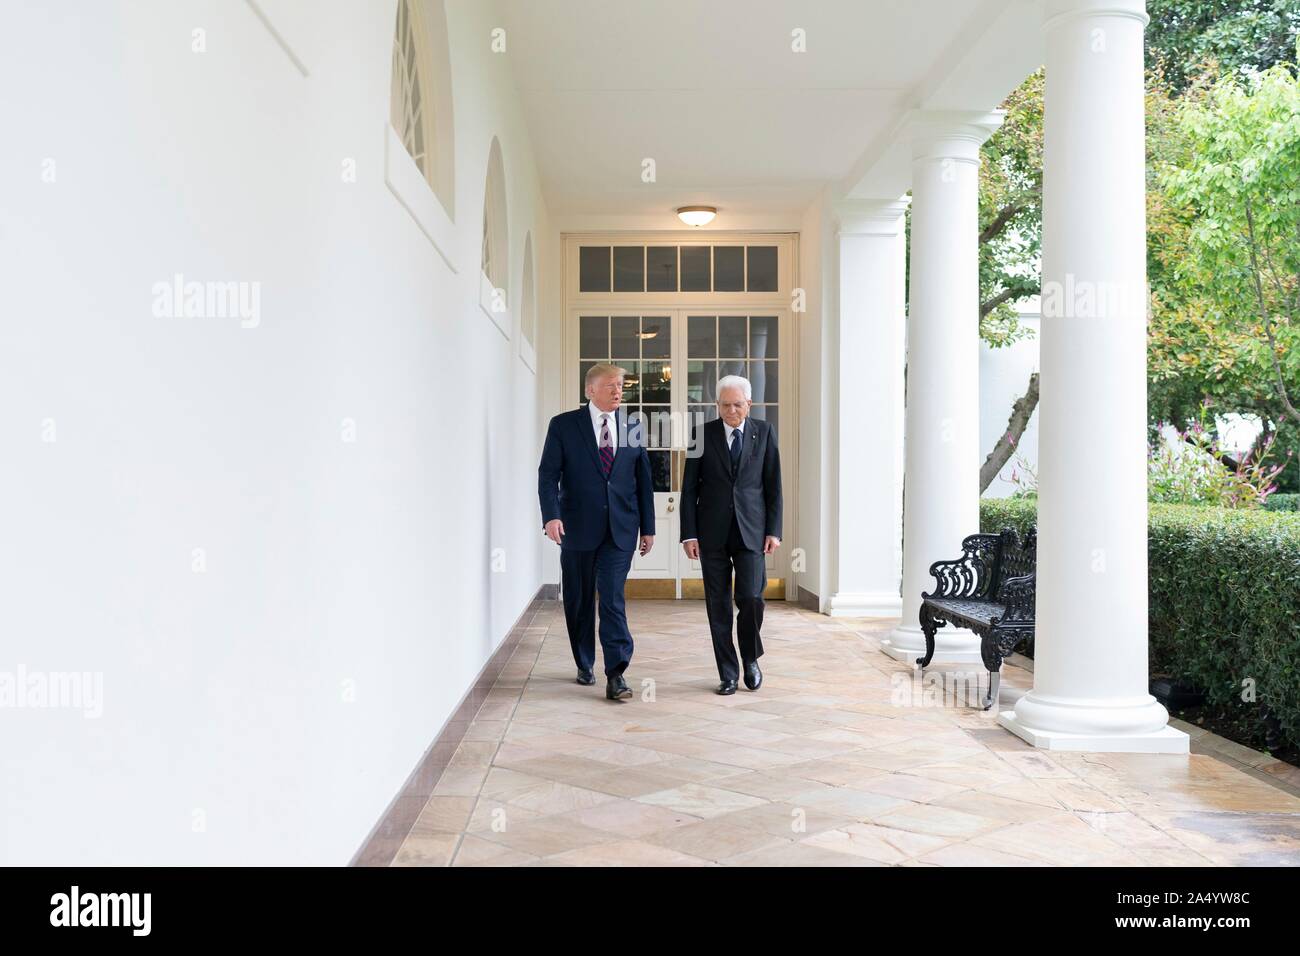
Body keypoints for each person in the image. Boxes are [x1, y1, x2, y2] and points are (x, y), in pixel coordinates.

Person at [538, 364, 655, 700]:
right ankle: (584, 661)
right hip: (576, 528)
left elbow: (643, 479)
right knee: (578, 600)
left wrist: (648, 527)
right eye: (609, 386)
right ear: (590, 390)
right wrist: (551, 517)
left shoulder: (633, 425)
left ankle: (616, 672)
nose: (618, 391)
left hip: (620, 530)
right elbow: (548, 475)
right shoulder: (563, 425)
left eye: (620, 385)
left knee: (613, 599)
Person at [680, 375, 782, 695]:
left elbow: (773, 486)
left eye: (738, 404)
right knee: (718, 604)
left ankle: (750, 657)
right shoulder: (702, 434)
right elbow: (689, 490)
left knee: (751, 598)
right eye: (725, 405)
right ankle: (728, 673)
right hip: (711, 533)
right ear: (717, 405)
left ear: (749, 404)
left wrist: (774, 531)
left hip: (752, 531)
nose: (731, 411)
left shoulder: (764, 433)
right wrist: (689, 534)